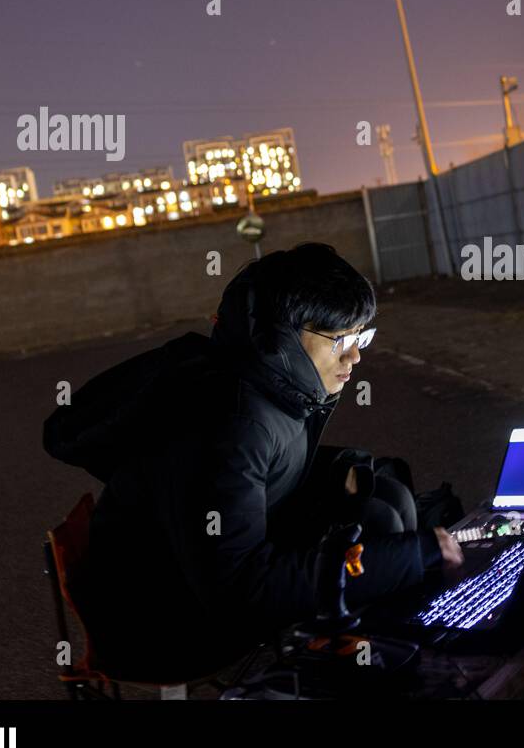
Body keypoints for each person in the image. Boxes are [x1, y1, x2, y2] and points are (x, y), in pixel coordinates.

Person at [43, 242, 463, 682]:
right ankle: (371, 674)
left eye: (363, 336)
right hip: (160, 625)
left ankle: (381, 653)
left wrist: (345, 473)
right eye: (341, 339)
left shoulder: (265, 379)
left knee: (383, 500)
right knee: (388, 536)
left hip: (188, 575)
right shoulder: (226, 418)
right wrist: (409, 558)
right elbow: (241, 591)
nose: (355, 355)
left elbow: (265, 469)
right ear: (281, 336)